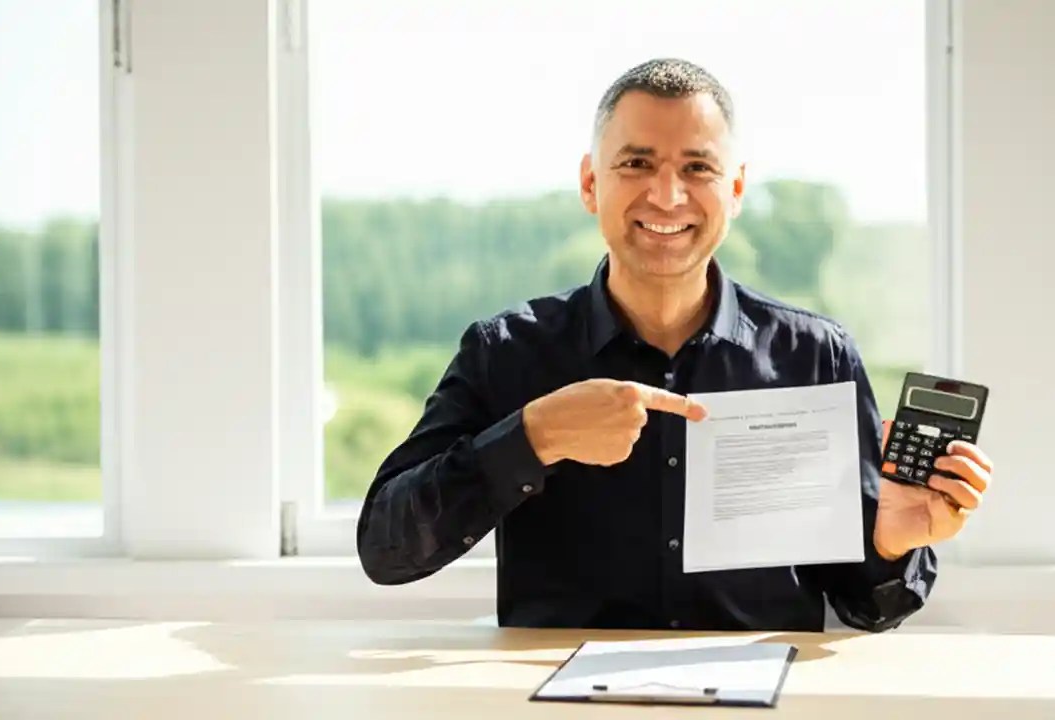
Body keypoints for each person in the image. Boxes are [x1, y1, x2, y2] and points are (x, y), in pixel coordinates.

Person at [356, 58, 994, 632]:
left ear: (735, 190)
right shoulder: (507, 352)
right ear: (589, 183)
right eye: (636, 164)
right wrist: (533, 438)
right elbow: (386, 548)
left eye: (698, 168)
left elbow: (863, 604)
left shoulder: (816, 359)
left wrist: (890, 545)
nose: (666, 195)